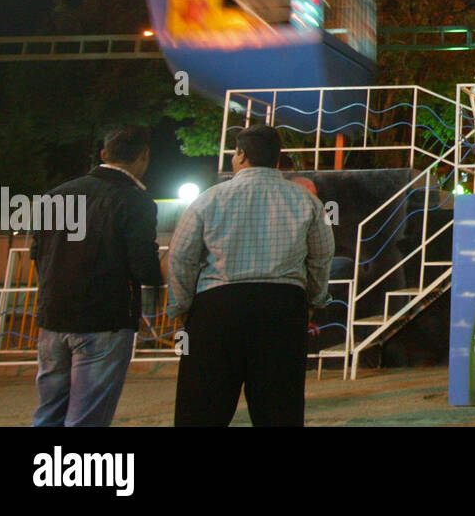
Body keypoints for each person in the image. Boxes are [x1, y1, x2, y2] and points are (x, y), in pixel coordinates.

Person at [167, 124, 334, 426]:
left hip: (217, 310)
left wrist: (182, 306)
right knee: (279, 411)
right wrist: (314, 298)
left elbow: (181, 258)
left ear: (241, 155)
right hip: (282, 311)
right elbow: (321, 257)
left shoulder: (208, 199)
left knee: (201, 411)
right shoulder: (307, 201)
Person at [30, 125, 163, 427]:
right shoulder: (136, 202)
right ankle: (78, 474)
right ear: (144, 156)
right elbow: (142, 263)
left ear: (103, 154)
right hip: (105, 322)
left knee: (48, 412)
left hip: (53, 319)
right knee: (86, 419)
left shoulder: (55, 196)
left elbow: (38, 254)